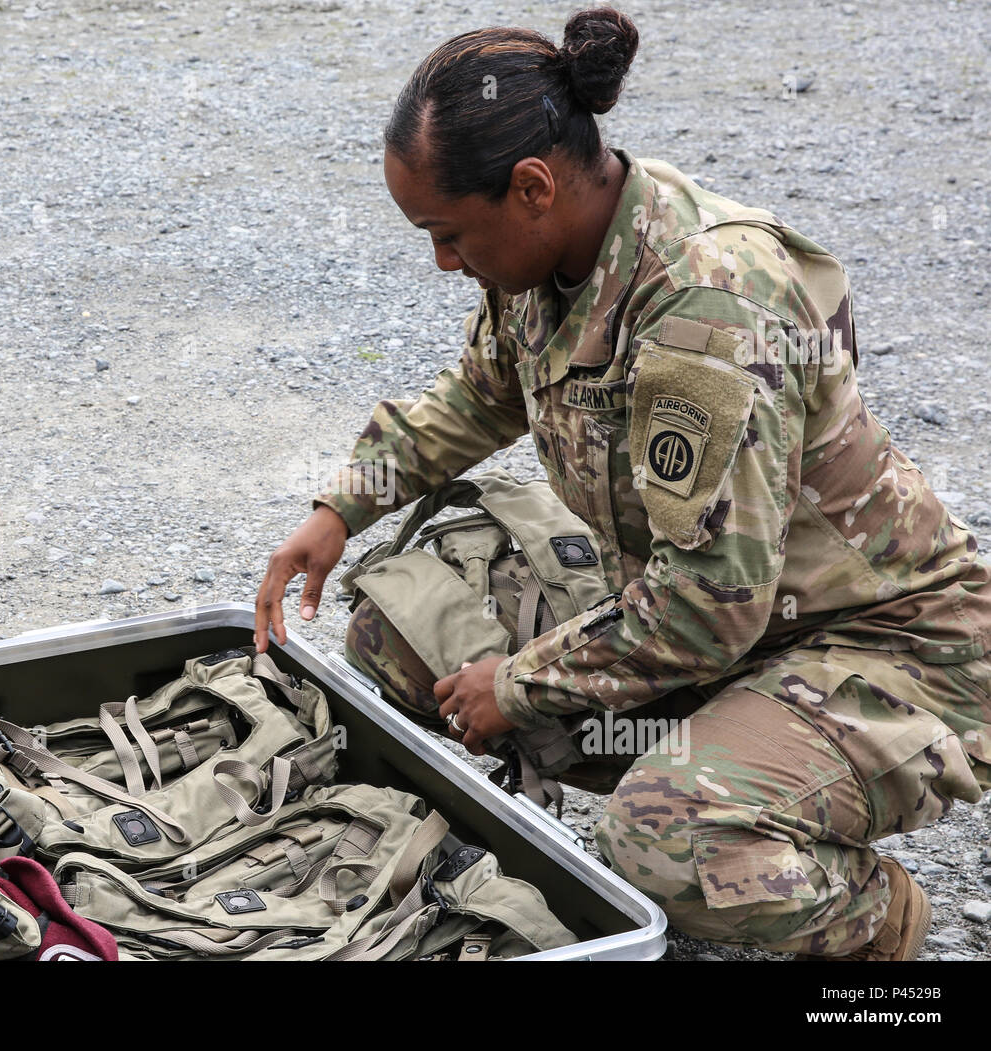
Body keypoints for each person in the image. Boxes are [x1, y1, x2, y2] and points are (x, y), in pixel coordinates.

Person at [254, 7, 991, 960]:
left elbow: (704, 611)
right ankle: (540, 841)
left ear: (530, 187)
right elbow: (483, 394)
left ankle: (872, 920)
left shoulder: (708, 306)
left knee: (660, 834)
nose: (443, 263)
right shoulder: (547, 257)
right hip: (719, 623)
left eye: (447, 234)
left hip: (879, 649)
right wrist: (340, 507)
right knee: (397, 631)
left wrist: (515, 687)